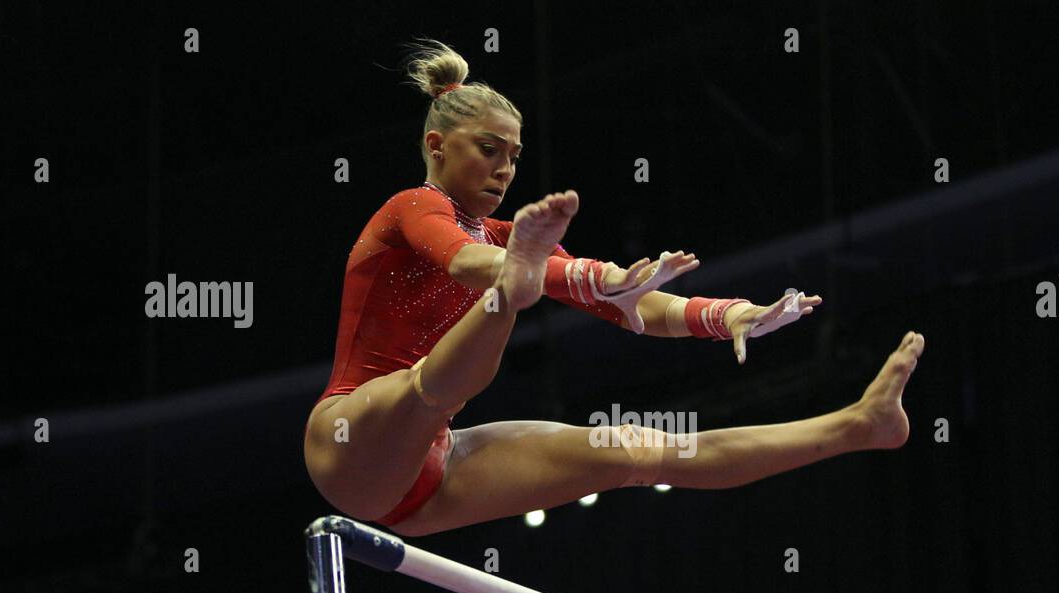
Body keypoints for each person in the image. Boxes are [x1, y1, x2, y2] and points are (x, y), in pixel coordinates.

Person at [303, 39, 925, 537]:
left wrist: (726, 315)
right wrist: (556, 272)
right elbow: (464, 261)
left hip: (431, 481)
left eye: (515, 156)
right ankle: (510, 298)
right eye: (489, 149)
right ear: (436, 145)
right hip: (352, 440)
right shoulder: (414, 207)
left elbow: (628, 303)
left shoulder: (507, 236)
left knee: (639, 452)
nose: (505, 169)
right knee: (430, 381)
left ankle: (857, 426)